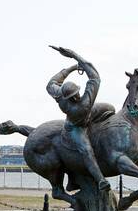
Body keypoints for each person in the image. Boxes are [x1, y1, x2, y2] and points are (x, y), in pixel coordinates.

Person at [46, 46, 111, 196]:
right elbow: (94, 77)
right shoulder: (83, 104)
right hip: (77, 126)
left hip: (87, 114)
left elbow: (51, 83)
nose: (77, 96)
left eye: (76, 94)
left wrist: (72, 68)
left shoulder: (59, 95)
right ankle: (100, 179)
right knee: (86, 150)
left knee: (110, 108)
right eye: (75, 95)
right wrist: (75, 56)